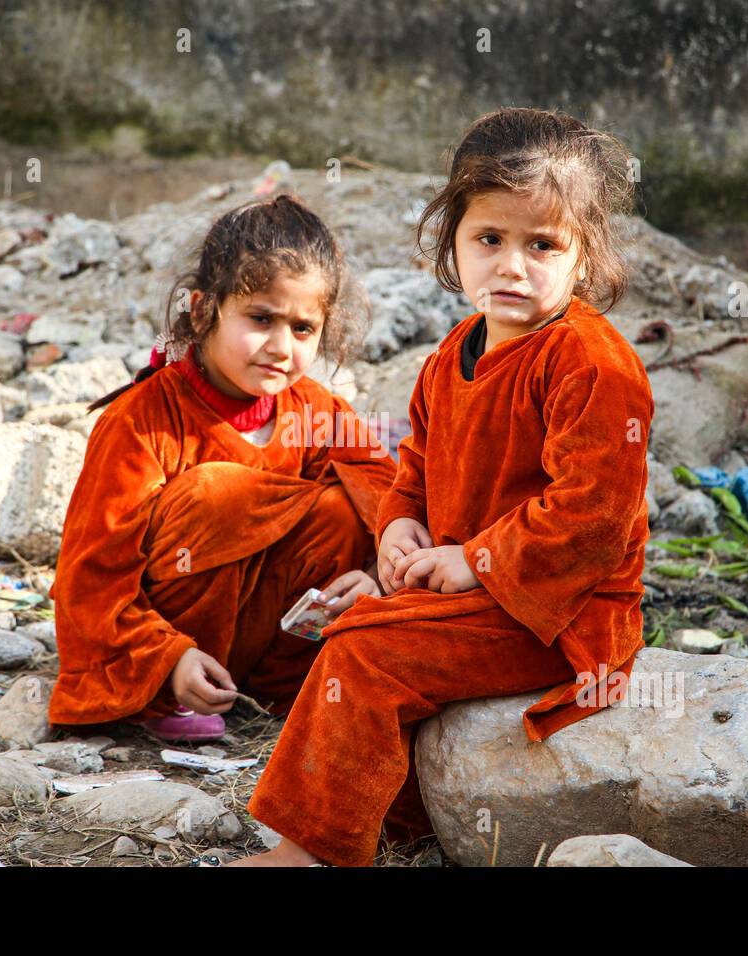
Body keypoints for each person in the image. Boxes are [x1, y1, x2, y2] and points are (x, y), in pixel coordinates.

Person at [232, 107, 654, 866]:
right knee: (347, 617)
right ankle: (406, 820)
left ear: (583, 257)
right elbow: (417, 465)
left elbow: (594, 517)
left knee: (365, 654)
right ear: (452, 243)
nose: (512, 266)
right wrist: (399, 526)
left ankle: (308, 855)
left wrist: (478, 561)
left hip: (560, 614)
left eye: (543, 245)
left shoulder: (591, 363)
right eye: (489, 239)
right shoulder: (453, 352)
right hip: (473, 592)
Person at [48, 194, 397, 744]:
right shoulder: (141, 420)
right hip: (172, 658)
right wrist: (169, 658)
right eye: (260, 319)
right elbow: (90, 579)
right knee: (217, 492)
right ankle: (177, 694)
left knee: (343, 507)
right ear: (203, 309)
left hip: (272, 664)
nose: (282, 347)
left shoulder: (318, 411)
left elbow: (393, 498)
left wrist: (377, 576)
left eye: (303, 329)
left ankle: (287, 692)